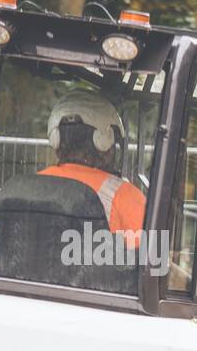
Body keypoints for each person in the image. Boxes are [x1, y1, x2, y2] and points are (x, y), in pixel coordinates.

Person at [37, 89, 144, 243]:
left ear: (56, 140)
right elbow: (151, 259)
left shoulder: (30, 187)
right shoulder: (125, 197)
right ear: (104, 142)